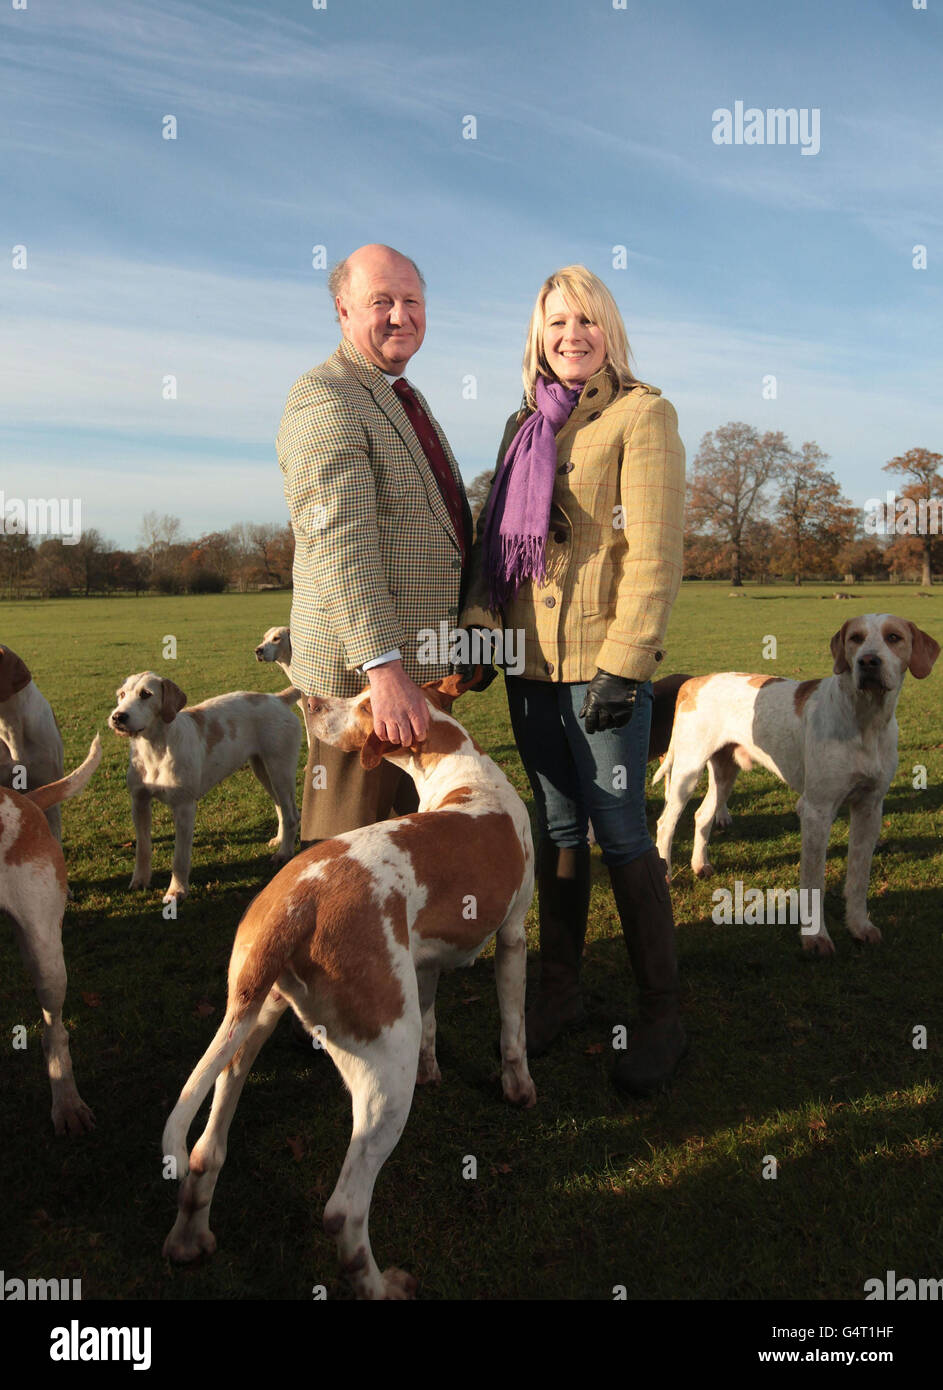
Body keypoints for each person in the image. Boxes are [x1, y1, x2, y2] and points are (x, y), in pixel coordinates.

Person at [461, 265, 686, 1095]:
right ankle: (561, 994)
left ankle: (662, 1014)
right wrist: (480, 640)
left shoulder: (643, 414)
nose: (571, 336)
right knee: (557, 829)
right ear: (538, 333)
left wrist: (626, 666)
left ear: (608, 329)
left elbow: (654, 554)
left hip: (601, 671)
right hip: (528, 667)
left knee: (620, 829)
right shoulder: (526, 424)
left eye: (585, 321)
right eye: (556, 323)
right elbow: (494, 546)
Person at [278, 244, 472, 842]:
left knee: (403, 858)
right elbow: (342, 545)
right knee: (345, 857)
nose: (399, 315)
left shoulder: (397, 394)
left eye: (411, 301)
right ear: (342, 310)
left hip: (417, 678)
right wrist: (384, 670)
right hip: (364, 688)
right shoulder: (327, 396)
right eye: (380, 301)